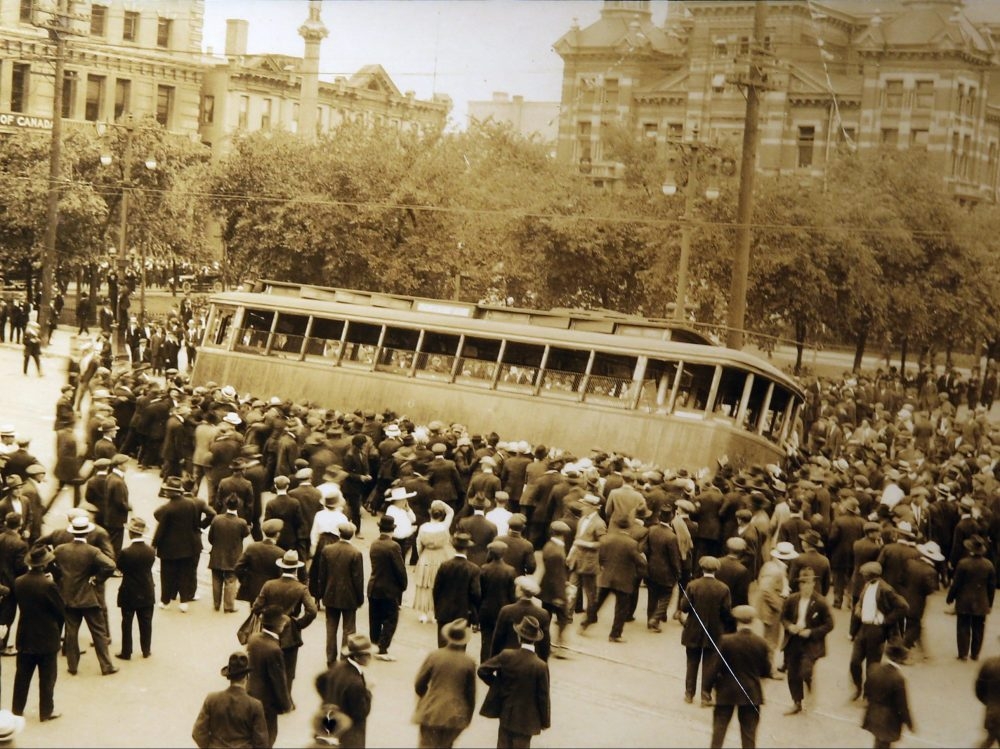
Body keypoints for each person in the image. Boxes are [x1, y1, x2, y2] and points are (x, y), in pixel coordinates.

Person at [53, 515, 118, 676]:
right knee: (98, 632)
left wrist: (60, 577)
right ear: (87, 534)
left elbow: (50, 562)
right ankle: (106, 665)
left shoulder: (61, 549)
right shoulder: (93, 551)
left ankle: (73, 666)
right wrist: (97, 578)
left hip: (68, 596)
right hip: (88, 597)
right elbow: (110, 565)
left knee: (71, 631)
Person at [478, 615, 551, 749]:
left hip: (507, 713)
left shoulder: (507, 655)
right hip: (528, 719)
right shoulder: (540, 666)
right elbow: (543, 696)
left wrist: (498, 685)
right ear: (535, 641)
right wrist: (545, 721)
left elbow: (483, 670)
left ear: (519, 637)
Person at [706, 605, 771, 749]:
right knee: (749, 736)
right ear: (753, 621)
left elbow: (714, 667)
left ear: (737, 621)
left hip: (726, 692)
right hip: (751, 693)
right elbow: (766, 671)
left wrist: (707, 689)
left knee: (719, 732)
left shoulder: (725, 641)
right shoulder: (761, 643)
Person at [11, 544, 64, 722]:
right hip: (47, 636)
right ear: (44, 564)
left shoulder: (19, 582)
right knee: (47, 678)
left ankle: (17, 710)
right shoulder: (49, 585)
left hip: (25, 635)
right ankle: (46, 711)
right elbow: (60, 611)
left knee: (22, 676)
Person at [252, 550, 317, 694]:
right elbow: (312, 611)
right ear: (296, 569)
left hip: (269, 629)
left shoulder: (269, 584)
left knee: (268, 662)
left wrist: (265, 615)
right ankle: (285, 698)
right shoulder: (301, 588)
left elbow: (256, 606)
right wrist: (298, 623)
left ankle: (267, 693)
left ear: (282, 567)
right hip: (290, 633)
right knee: (288, 667)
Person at [413, 618, 478, 749]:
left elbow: (419, 684)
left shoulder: (435, 656)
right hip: (455, 716)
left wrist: (426, 698)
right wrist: (467, 717)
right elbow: (470, 694)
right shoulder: (469, 662)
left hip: (431, 712)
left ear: (448, 637)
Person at [850, 561, 908, 701]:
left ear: (871, 575)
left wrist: (885, 620)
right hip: (863, 628)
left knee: (872, 666)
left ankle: (868, 694)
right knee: (854, 662)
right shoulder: (867, 585)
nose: (863, 577)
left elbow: (903, 606)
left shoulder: (886, 589)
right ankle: (858, 688)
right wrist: (858, 609)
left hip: (877, 631)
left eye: (865, 575)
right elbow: (860, 602)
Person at [678, 556, 732, 706]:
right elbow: (726, 612)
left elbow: (684, 607)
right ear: (717, 570)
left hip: (693, 630)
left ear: (702, 568)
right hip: (714, 632)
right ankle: (705, 696)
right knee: (710, 665)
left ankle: (689, 694)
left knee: (692, 663)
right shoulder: (723, 588)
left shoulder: (693, 585)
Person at [780, 568, 834, 714]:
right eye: (802, 583)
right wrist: (790, 626)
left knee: (805, 670)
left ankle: (809, 683)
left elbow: (829, 624)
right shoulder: (792, 600)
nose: (804, 586)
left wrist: (811, 632)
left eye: (807, 583)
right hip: (793, 641)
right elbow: (783, 617)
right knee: (792, 673)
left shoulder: (820, 602)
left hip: (811, 643)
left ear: (813, 583)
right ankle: (796, 702)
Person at [192, 651, 269, 749]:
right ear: (246, 677)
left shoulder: (211, 699)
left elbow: (198, 732)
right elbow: (262, 743)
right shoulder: (255, 705)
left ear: (228, 676)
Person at [316, 522, 364, 666]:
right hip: (349, 597)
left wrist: (320, 595)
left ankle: (330, 658)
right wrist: (360, 598)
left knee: (331, 628)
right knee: (348, 630)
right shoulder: (356, 553)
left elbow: (322, 575)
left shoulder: (327, 550)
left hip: (330, 595)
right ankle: (345, 657)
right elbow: (358, 579)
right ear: (352, 535)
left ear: (339, 533)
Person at [315, 633, 373, 749]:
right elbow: (361, 712)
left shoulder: (338, 666)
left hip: (330, 723)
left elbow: (319, 680)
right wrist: (368, 692)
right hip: (350, 734)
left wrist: (327, 698)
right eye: (367, 655)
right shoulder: (356, 682)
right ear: (357, 657)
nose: (370, 657)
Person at [247, 605, 292, 749]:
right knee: (268, 737)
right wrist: (286, 704)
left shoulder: (254, 638)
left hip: (251, 694)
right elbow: (278, 681)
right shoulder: (274, 649)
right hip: (267, 702)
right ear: (277, 626)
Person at [948, 534, 997, 662]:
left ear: (970, 550)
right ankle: (975, 654)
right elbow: (991, 588)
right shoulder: (989, 565)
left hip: (964, 600)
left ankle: (963, 653)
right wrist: (990, 603)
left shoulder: (963, 564)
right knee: (979, 628)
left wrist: (950, 597)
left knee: (963, 626)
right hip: (982, 601)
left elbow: (956, 584)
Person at [367, 515, 407, 661]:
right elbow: (400, 569)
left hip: (374, 586)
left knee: (375, 618)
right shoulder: (394, 546)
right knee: (391, 619)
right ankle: (382, 648)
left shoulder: (374, 544)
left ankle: (375, 643)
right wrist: (403, 585)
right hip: (388, 589)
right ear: (392, 530)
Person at [115, 517, 155, 660]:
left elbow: (119, 567)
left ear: (131, 533)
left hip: (129, 590)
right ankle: (146, 650)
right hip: (147, 590)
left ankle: (127, 651)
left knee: (127, 622)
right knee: (146, 622)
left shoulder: (125, 552)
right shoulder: (150, 551)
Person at [433, 533, 482, 648]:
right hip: (463, 612)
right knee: (459, 645)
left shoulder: (444, 565)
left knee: (442, 644)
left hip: (444, 611)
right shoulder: (473, 569)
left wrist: (438, 609)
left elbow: (436, 589)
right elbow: (476, 593)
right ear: (467, 549)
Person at [862, 642, 914, 749]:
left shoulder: (874, 669)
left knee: (878, 743)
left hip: (873, 714)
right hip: (889, 720)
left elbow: (867, 690)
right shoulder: (898, 679)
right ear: (900, 659)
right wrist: (909, 723)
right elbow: (902, 706)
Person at [413, 500, 456, 624]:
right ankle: (435, 612)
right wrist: (440, 502)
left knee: (424, 584)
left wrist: (422, 555)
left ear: (430, 513)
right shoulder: (444, 527)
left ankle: (423, 613)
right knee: (438, 584)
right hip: (441, 556)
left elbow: (418, 544)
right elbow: (451, 512)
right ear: (441, 515)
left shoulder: (423, 527)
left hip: (426, 556)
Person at [208, 495, 251, 613]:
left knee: (216, 579)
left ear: (226, 505)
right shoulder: (241, 522)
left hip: (217, 554)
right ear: (238, 506)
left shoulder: (217, 519)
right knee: (231, 580)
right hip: (233, 555)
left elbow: (210, 538)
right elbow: (245, 534)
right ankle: (228, 606)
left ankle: (216, 604)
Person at [235, 518, 285, 608]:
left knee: (253, 612)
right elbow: (281, 575)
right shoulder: (281, 553)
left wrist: (245, 581)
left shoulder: (252, 547)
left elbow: (238, 567)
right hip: (271, 592)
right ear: (277, 534)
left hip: (252, 589)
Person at [976, 647, 1000, 749]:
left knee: (990, 739)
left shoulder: (990, 664)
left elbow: (979, 690)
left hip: (992, 713)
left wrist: (990, 703)